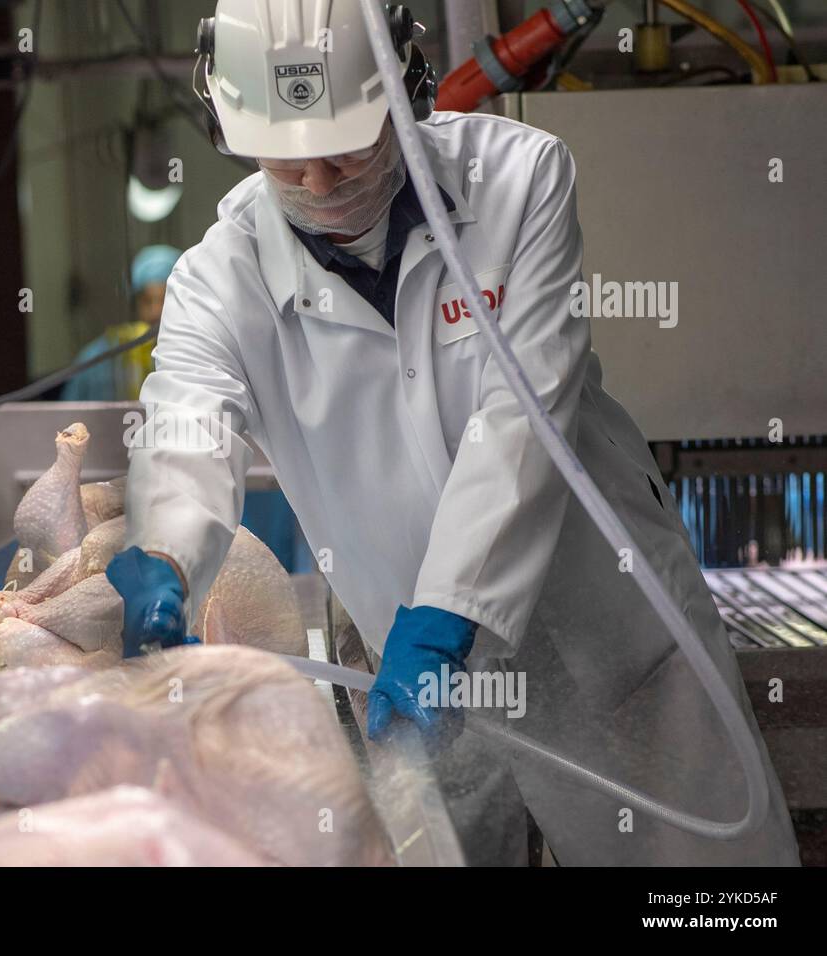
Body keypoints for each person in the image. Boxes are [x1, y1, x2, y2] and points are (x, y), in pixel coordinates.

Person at [105, 0, 798, 865]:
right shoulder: (217, 279)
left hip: (600, 625)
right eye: (286, 161)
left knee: (700, 893)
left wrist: (448, 614)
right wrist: (168, 552)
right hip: (403, 667)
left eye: (348, 147)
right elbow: (187, 422)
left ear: (408, 95)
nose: (319, 182)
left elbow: (525, 417)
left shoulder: (521, 181)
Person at [61, 244, 181, 401]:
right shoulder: (99, 358)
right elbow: (68, 417)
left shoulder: (198, 353)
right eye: (147, 301)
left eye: (164, 299)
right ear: (135, 304)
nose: (155, 311)